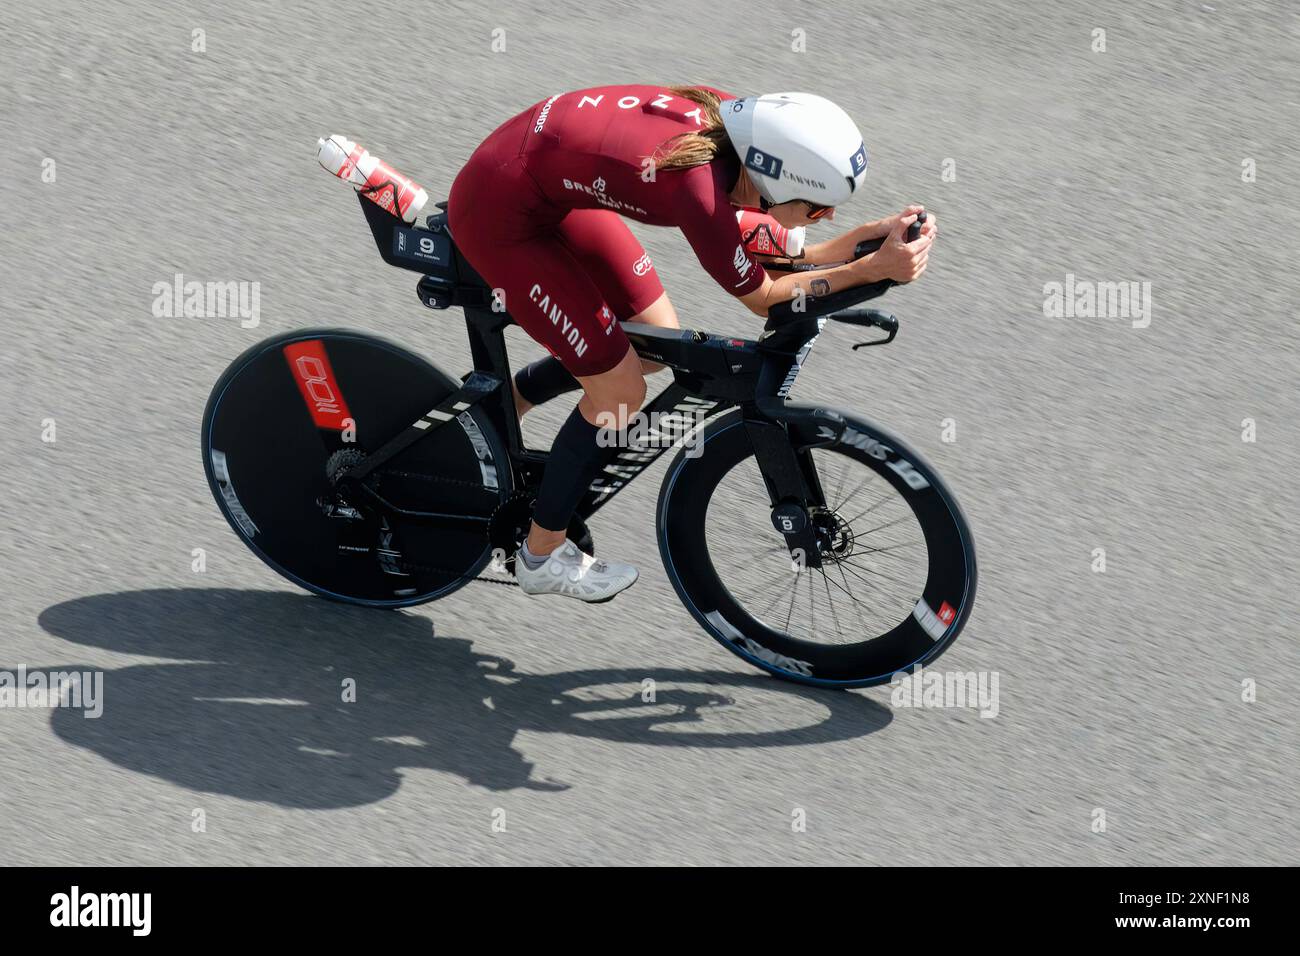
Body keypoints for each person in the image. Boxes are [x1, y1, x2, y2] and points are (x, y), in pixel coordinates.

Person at [447, 85, 937, 602]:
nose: (827, 218)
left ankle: (505, 408)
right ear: (774, 177)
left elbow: (761, 239)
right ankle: (540, 557)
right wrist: (867, 268)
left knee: (650, 339)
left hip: (544, 184)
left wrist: (862, 240)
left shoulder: (736, 133)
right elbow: (767, 296)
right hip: (499, 211)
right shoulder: (696, 189)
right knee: (618, 393)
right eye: (818, 208)